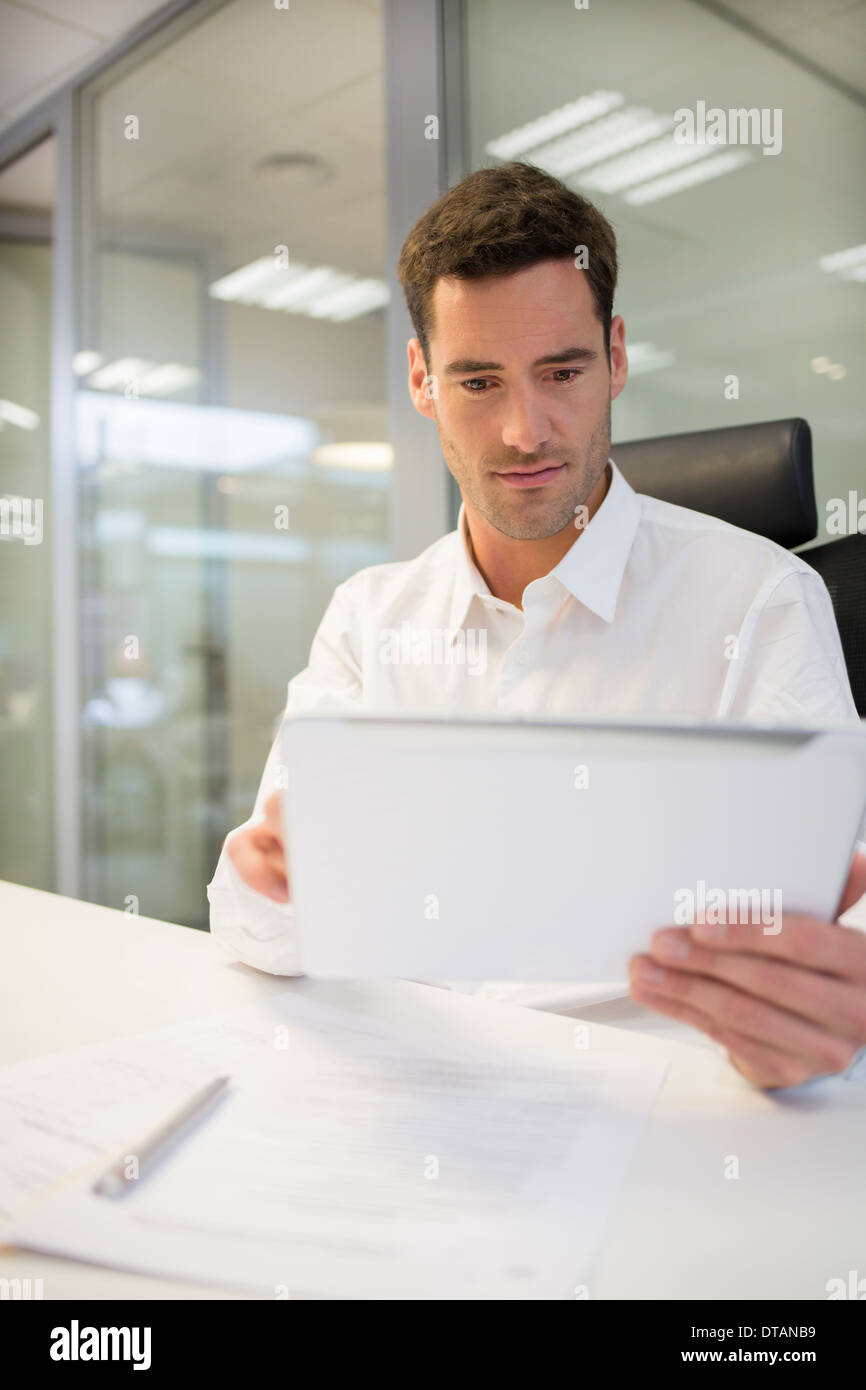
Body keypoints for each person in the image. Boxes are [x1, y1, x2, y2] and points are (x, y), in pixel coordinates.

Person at [208, 161, 866, 1091]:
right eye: (479, 382)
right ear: (421, 380)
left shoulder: (759, 600)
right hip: (411, 1095)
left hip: (655, 1104)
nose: (526, 431)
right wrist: (275, 880)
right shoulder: (371, 616)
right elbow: (252, 931)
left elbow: (836, 935)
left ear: (618, 356)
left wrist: (821, 1010)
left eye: (561, 371)